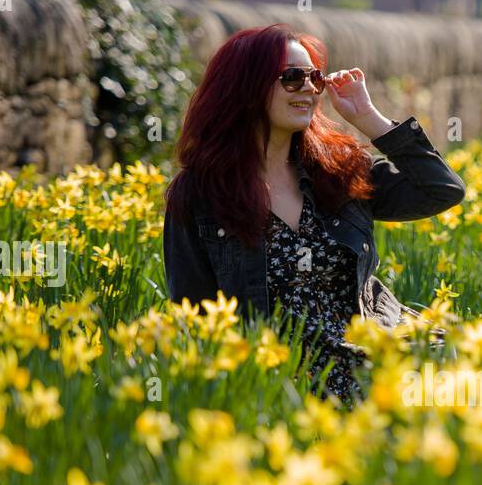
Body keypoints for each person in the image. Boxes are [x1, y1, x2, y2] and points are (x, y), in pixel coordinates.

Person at [163, 23, 466, 406]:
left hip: (370, 350)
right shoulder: (200, 195)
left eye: (314, 78)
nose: (308, 87)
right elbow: (194, 316)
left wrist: (368, 117)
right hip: (287, 375)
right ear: (245, 87)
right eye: (292, 78)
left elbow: (442, 190)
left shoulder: (338, 173)